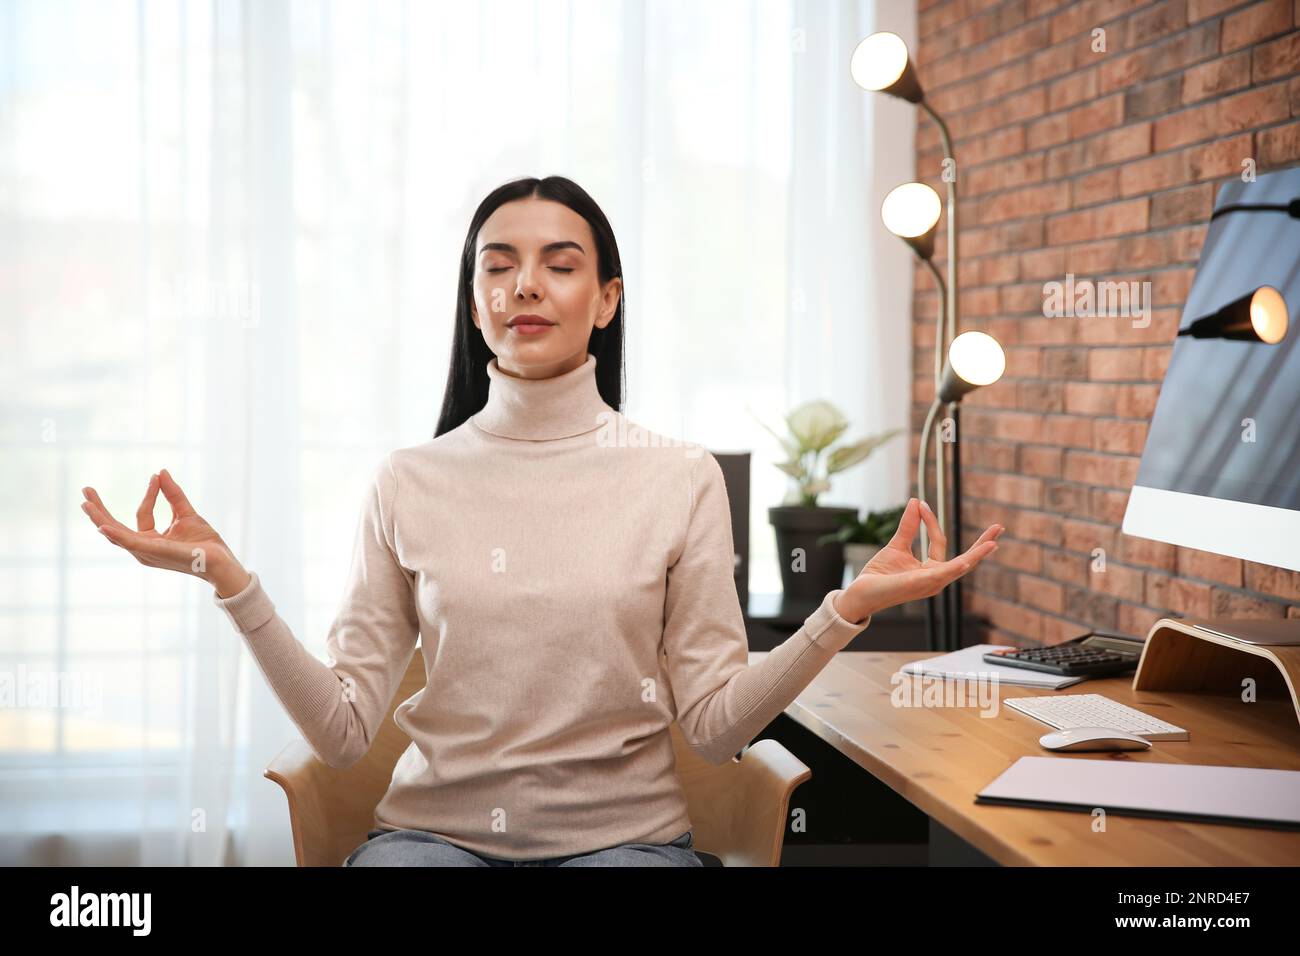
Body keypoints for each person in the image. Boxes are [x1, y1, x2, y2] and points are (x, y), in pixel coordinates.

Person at [80, 174, 1003, 867]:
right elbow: (346, 732)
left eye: (561, 266)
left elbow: (717, 728)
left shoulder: (676, 477)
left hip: (628, 845)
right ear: (475, 302)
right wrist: (232, 585)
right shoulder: (407, 480)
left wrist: (843, 610)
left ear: (606, 302)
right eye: (499, 265)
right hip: (431, 841)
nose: (526, 285)